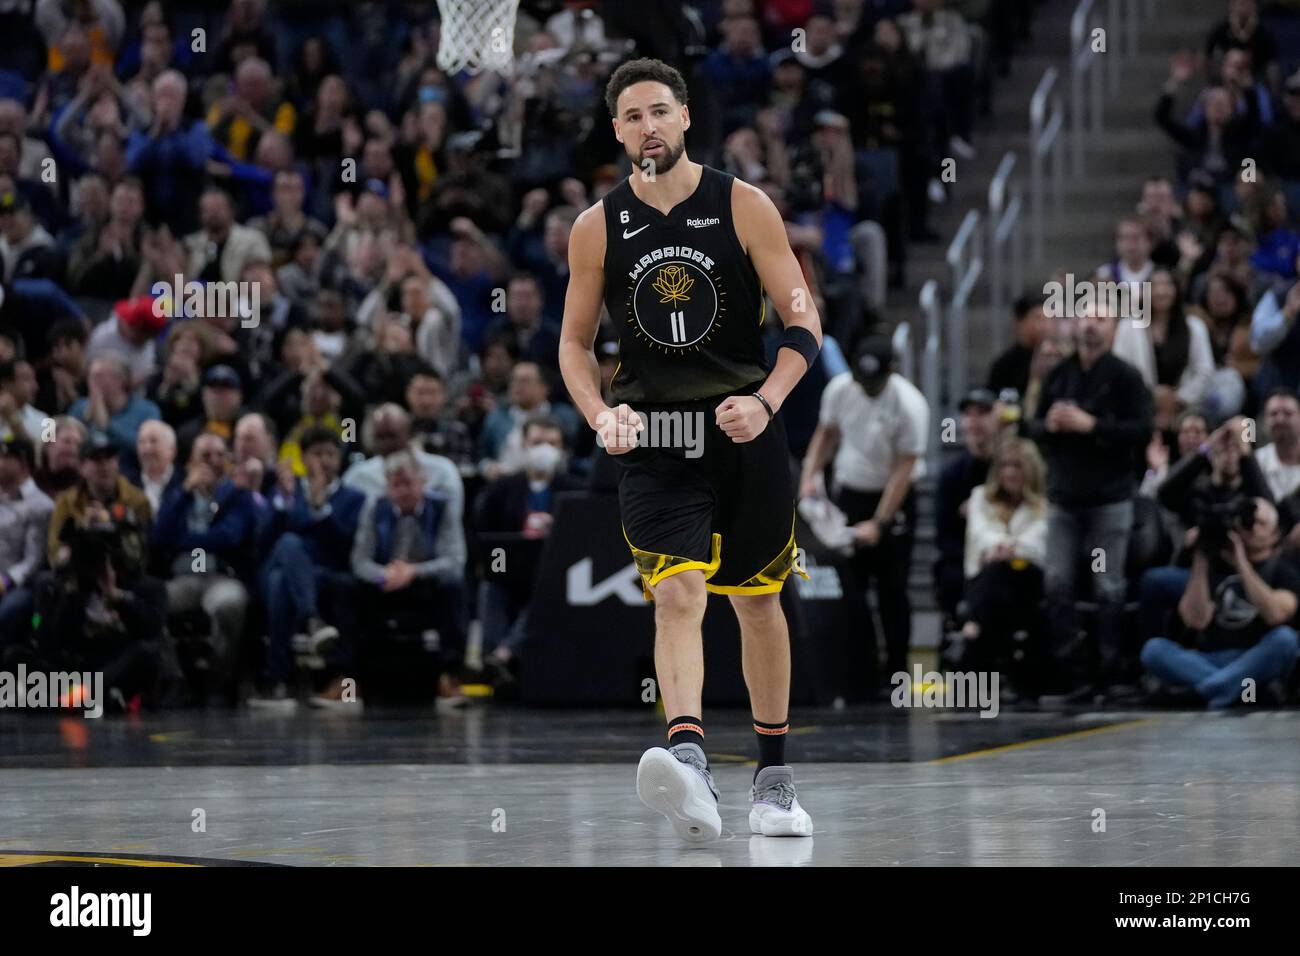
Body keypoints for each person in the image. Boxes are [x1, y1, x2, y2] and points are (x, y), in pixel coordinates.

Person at [559, 58, 822, 842]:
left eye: (659, 112)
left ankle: (773, 783)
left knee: (758, 601)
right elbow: (573, 345)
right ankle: (690, 760)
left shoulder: (744, 206)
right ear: (617, 130)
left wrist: (767, 400)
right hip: (655, 441)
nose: (648, 126)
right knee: (677, 594)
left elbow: (804, 326)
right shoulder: (596, 225)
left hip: (745, 430)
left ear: (683, 120)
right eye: (633, 115)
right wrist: (598, 413)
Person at [1025, 303, 1153, 700]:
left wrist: (1092, 425)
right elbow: (1031, 425)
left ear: (1113, 329)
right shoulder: (1059, 375)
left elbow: (1142, 431)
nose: (1091, 326)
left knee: (1107, 585)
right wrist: (1049, 425)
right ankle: (1073, 674)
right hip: (1064, 498)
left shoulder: (1126, 377)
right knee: (1057, 583)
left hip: (1109, 498)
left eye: (1101, 319)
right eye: (1086, 318)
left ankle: (1110, 673)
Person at [800, 335, 928, 691]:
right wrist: (810, 478)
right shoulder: (842, 389)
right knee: (851, 585)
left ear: (891, 372)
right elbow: (825, 435)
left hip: (891, 496)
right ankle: (860, 666)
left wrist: (881, 522)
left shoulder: (909, 404)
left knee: (892, 588)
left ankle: (897, 669)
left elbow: (905, 468)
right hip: (849, 492)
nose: (867, 388)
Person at [1140, 497, 1299, 708]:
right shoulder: (1216, 562)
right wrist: (1200, 556)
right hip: (1210, 658)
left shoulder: (1283, 569)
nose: (1253, 529)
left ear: (1276, 533)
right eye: (1249, 522)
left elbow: (1275, 614)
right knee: (1153, 649)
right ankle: (1239, 690)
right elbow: (1195, 621)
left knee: (1285, 640)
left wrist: (1242, 564)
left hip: (1256, 658)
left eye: (1262, 524)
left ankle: (1202, 692)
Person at [252, 426, 365, 711]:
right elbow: (262, 543)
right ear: (302, 457)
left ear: (340, 459)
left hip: (323, 573)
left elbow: (344, 546)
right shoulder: (283, 491)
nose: (324, 461)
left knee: (282, 582)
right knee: (288, 545)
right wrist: (285, 502)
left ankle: (277, 681)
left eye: (330, 453)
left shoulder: (353, 498)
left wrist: (319, 508)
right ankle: (311, 619)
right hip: (279, 568)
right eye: (316, 454)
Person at [351, 449, 467, 707]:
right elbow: (360, 561)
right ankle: (354, 678)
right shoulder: (375, 508)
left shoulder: (442, 506)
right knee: (351, 588)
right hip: (386, 582)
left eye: (408, 483)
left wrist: (413, 571)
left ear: (422, 481)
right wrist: (385, 576)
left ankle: (450, 675)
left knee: (454, 584)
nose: (403, 491)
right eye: (396, 485)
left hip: (426, 581)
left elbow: (454, 559)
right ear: (387, 487)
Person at [474, 415, 584, 683]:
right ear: (523, 445)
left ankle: (501, 656)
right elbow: (481, 535)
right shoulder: (501, 489)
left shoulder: (575, 489)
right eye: (537, 442)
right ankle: (493, 654)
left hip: (556, 574)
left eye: (551, 443)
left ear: (562, 450)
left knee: (544, 591)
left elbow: (584, 540)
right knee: (491, 586)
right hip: (508, 570)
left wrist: (556, 527)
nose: (543, 450)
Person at [152, 433, 257, 688]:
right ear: (190, 462)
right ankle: (174, 677)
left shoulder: (237, 496)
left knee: (229, 606)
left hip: (221, 576)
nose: (213, 461)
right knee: (151, 605)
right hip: (183, 578)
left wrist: (183, 540)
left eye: (220, 454)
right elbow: (158, 536)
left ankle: (218, 678)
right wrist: (187, 492)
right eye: (206, 455)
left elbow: (229, 537)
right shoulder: (177, 493)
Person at [960, 438, 1049, 694]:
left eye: (1017, 466)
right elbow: (979, 534)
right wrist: (1001, 546)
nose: (1009, 472)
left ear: (1030, 469)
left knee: (1005, 571)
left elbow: (1039, 540)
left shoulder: (1044, 504)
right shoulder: (980, 497)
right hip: (987, 575)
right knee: (996, 573)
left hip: (1027, 578)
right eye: (1004, 465)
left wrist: (1009, 549)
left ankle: (973, 628)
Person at [933, 387, 997, 620]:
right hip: (963, 559)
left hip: (1006, 555)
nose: (975, 422)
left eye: (982, 413)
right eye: (969, 415)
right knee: (950, 575)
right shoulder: (951, 475)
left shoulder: (1012, 467)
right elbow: (944, 536)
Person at [0, 432, 53, 644]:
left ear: (22, 464)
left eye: (3, 458)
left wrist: (5, 581)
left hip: (18, 585)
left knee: (10, 610)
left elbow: (33, 560)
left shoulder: (41, 506)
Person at [987, 294, 1047, 397]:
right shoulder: (1004, 365)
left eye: (1046, 319)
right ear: (1020, 321)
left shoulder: (1053, 359)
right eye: (1037, 318)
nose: (1044, 325)